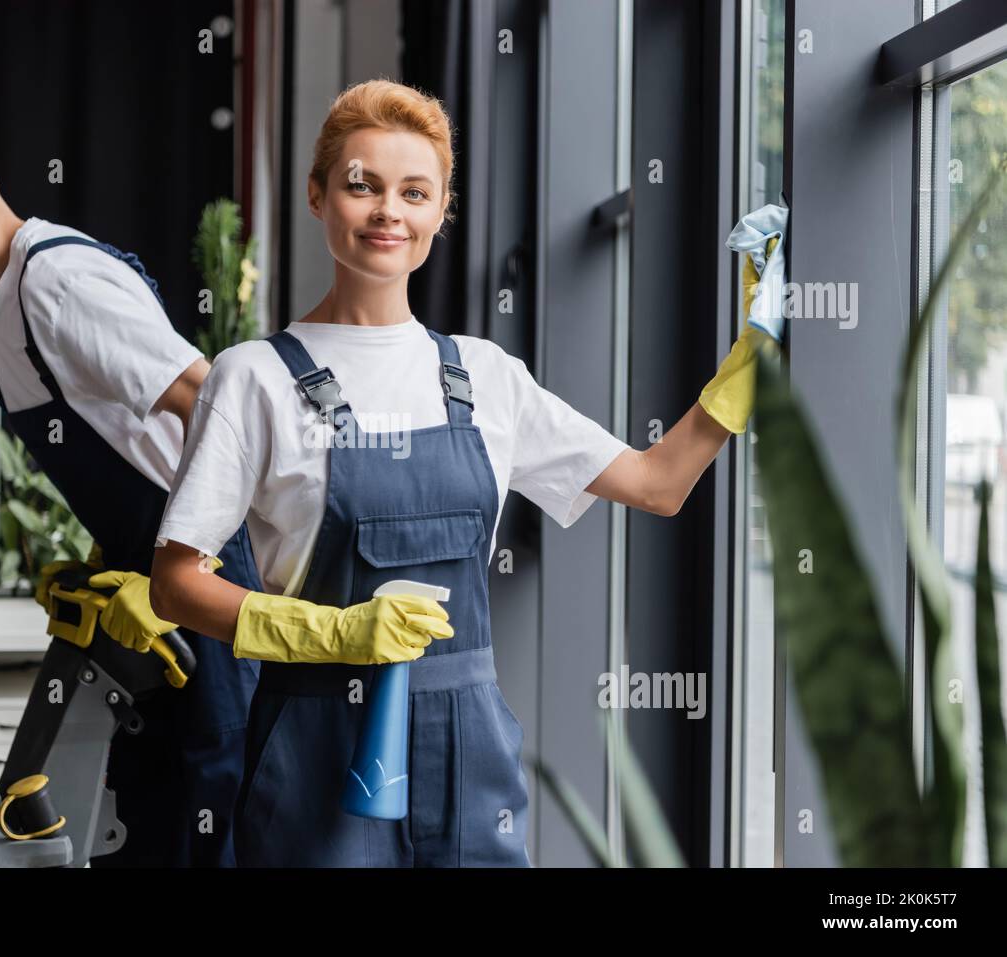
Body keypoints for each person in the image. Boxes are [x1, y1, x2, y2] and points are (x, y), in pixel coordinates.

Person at [149, 79, 762, 867]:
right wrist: (329, 631)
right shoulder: (253, 378)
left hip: (470, 761)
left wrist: (752, 361)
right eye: (360, 185)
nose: (387, 213)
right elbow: (174, 581)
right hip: (313, 756)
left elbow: (658, 482)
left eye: (415, 192)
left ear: (442, 211)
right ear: (317, 194)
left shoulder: (484, 375)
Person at [0, 96, 260, 867]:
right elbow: (130, 444)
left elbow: (213, 406)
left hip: (204, 593)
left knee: (215, 814)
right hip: (156, 608)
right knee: (149, 815)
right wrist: (113, 563)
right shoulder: (2, 307)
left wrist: (179, 565)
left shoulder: (57, 282)